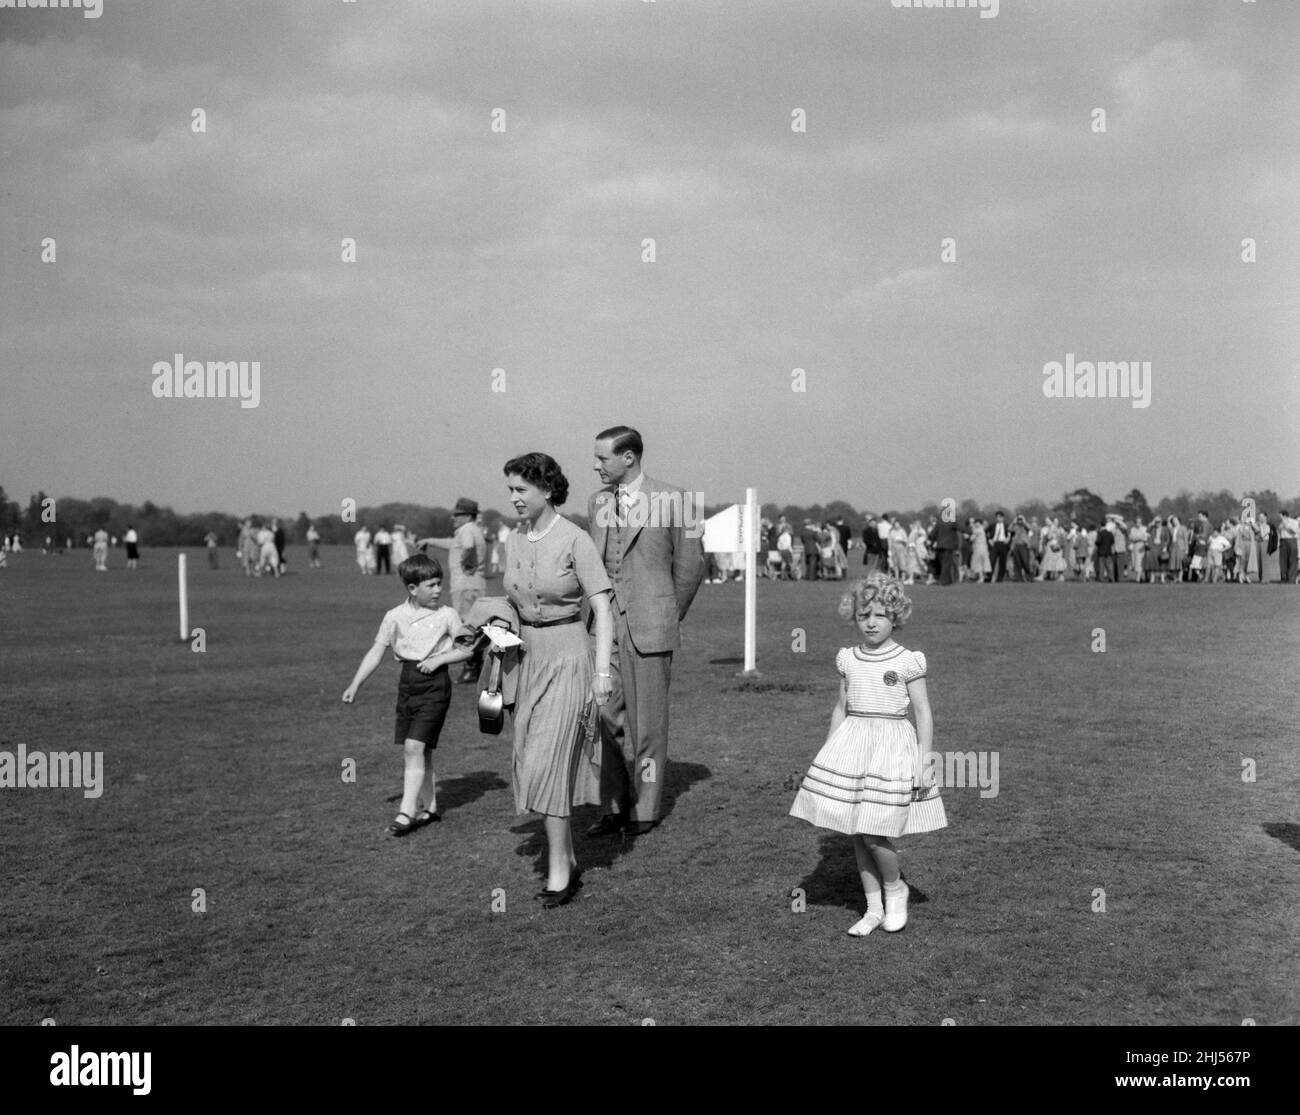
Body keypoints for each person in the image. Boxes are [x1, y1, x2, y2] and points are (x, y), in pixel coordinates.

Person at [789, 574, 945, 936]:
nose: (871, 622)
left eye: (879, 615)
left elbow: (923, 712)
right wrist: (828, 752)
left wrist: (925, 760)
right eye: (863, 616)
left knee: (875, 832)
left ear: (895, 617)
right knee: (857, 831)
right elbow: (841, 709)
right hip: (855, 744)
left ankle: (896, 889)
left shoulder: (907, 660)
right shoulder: (849, 659)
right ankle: (873, 908)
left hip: (891, 748)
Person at [502, 453, 614, 905]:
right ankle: (566, 859)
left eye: (521, 490)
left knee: (545, 763)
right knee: (531, 758)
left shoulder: (575, 539)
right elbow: (514, 599)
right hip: (524, 661)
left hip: (569, 658)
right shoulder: (512, 539)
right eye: (510, 490)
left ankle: (558, 873)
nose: (514, 498)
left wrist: (602, 672)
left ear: (547, 490)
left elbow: (603, 607)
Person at [587, 425, 705, 836]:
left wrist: (666, 613)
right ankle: (615, 804)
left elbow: (690, 567)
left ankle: (644, 811)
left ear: (629, 457)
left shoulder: (678, 500)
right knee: (601, 714)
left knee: (648, 723)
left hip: (651, 625)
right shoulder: (597, 502)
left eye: (602, 458)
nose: (596, 465)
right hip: (603, 628)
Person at [342, 553, 471, 836]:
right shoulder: (394, 617)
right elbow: (376, 651)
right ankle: (431, 807)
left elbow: (466, 648)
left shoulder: (447, 615)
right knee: (419, 750)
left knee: (413, 747)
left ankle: (406, 811)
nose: (439, 590)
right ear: (412, 588)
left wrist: (439, 660)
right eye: (432, 585)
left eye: (440, 584)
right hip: (407, 685)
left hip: (436, 685)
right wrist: (355, 684)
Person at [417, 498, 488, 684]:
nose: (453, 518)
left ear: (467, 516)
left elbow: (467, 545)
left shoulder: (467, 531)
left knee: (468, 626)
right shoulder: (471, 530)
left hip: (465, 585)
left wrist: (465, 561)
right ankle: (476, 667)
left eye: (457, 515)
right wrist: (429, 541)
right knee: (475, 625)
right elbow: (454, 543)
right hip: (473, 584)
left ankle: (471, 669)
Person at [1276, 510, 1298, 583]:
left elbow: (1294, 531)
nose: (1280, 518)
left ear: (1284, 515)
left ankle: (1291, 579)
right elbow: (1279, 532)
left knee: (1292, 560)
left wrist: (1286, 524)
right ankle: (1284, 578)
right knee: (1283, 561)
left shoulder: (1294, 521)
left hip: (1291, 540)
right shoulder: (1281, 523)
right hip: (1283, 541)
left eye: (1280, 516)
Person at [968, 518, 991, 583]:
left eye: (977, 522)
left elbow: (971, 538)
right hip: (982, 547)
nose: (976, 524)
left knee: (979, 562)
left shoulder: (978, 530)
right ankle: (983, 577)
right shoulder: (981, 529)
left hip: (979, 547)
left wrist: (969, 537)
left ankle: (981, 577)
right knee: (982, 562)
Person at [989, 511, 1010, 582]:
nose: (998, 518)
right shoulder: (992, 525)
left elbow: (1011, 534)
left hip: (1003, 544)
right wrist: (989, 540)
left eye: (1000, 517)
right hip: (994, 544)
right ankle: (989, 578)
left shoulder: (1007, 525)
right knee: (991, 561)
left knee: (1002, 562)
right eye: (997, 517)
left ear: (1003, 518)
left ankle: (1000, 578)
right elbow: (985, 532)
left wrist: (1008, 540)